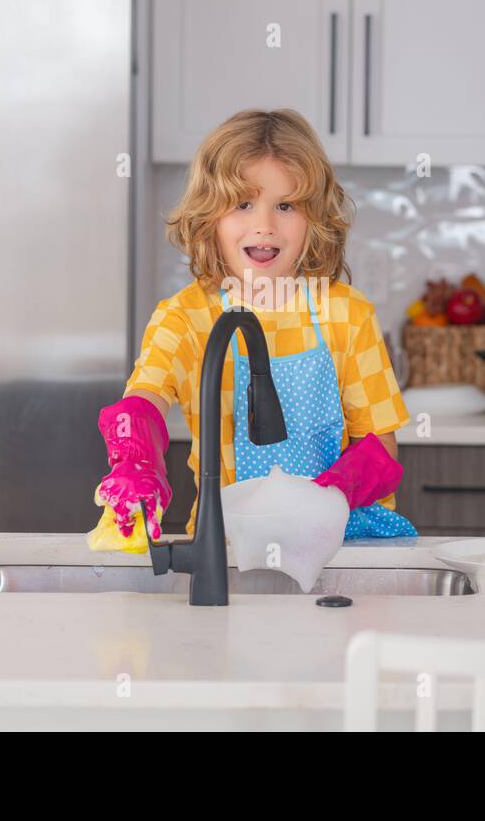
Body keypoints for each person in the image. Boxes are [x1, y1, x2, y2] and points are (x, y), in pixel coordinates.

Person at [89, 108, 413, 552]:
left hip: (338, 548)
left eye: (286, 206)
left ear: (314, 219)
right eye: (242, 204)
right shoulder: (186, 318)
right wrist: (136, 463)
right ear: (210, 218)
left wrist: (324, 497)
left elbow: (380, 449)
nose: (264, 225)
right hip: (227, 551)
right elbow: (142, 403)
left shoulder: (346, 314)